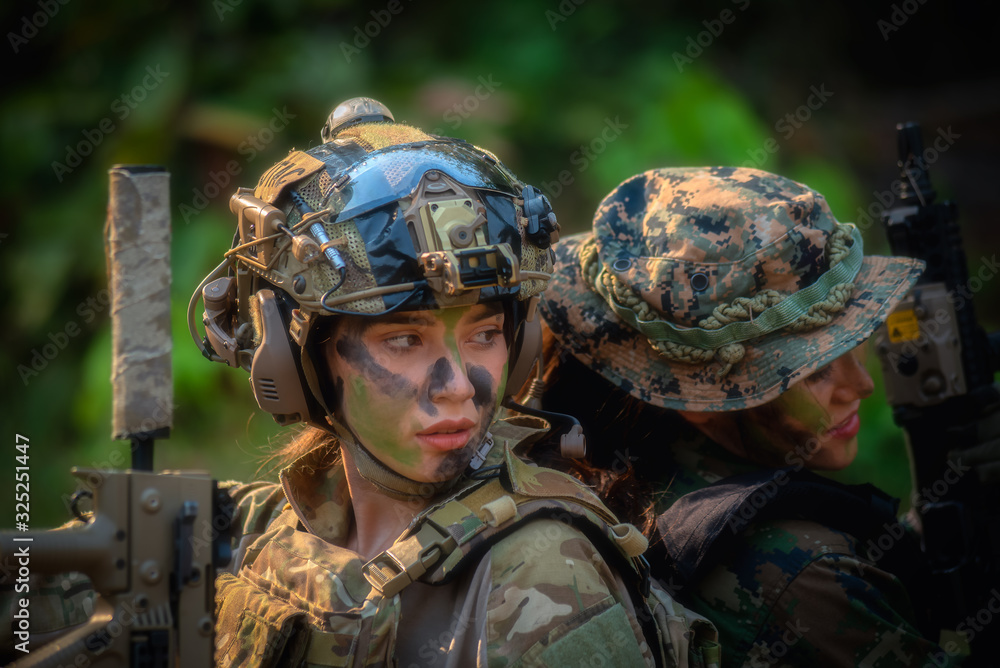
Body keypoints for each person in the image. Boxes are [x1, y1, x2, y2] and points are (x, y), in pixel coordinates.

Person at [191, 101, 718, 667]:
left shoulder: (543, 574)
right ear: (300, 359)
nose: (458, 388)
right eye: (404, 341)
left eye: (485, 333)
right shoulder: (300, 509)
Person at [536, 166, 960, 667]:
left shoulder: (610, 461)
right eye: (817, 369)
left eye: (855, 342)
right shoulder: (806, 577)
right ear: (698, 400)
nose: (860, 386)